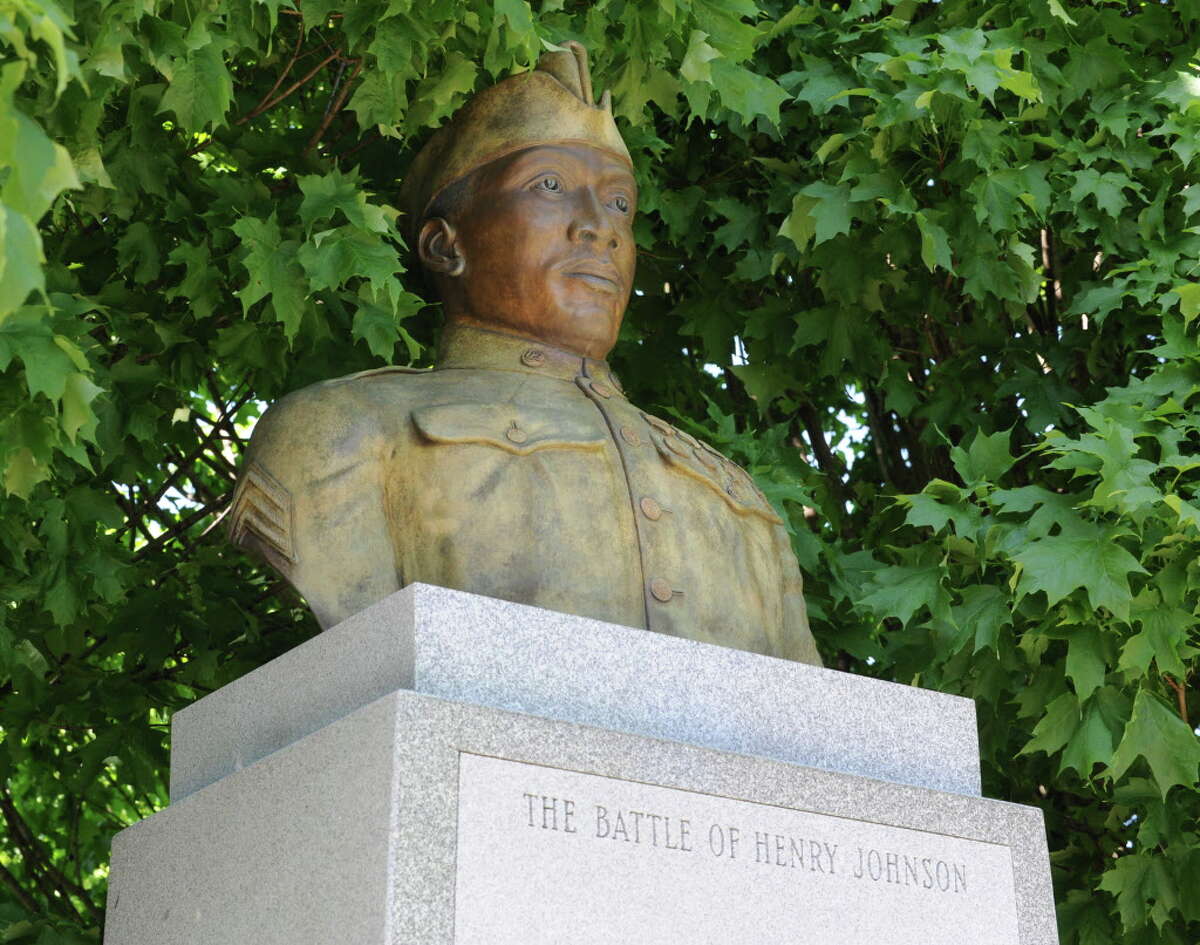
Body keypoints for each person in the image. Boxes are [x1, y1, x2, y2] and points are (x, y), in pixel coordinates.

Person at [230, 42, 821, 666]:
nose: (602, 227)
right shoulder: (341, 430)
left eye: (620, 202)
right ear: (443, 245)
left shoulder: (737, 499)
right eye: (550, 186)